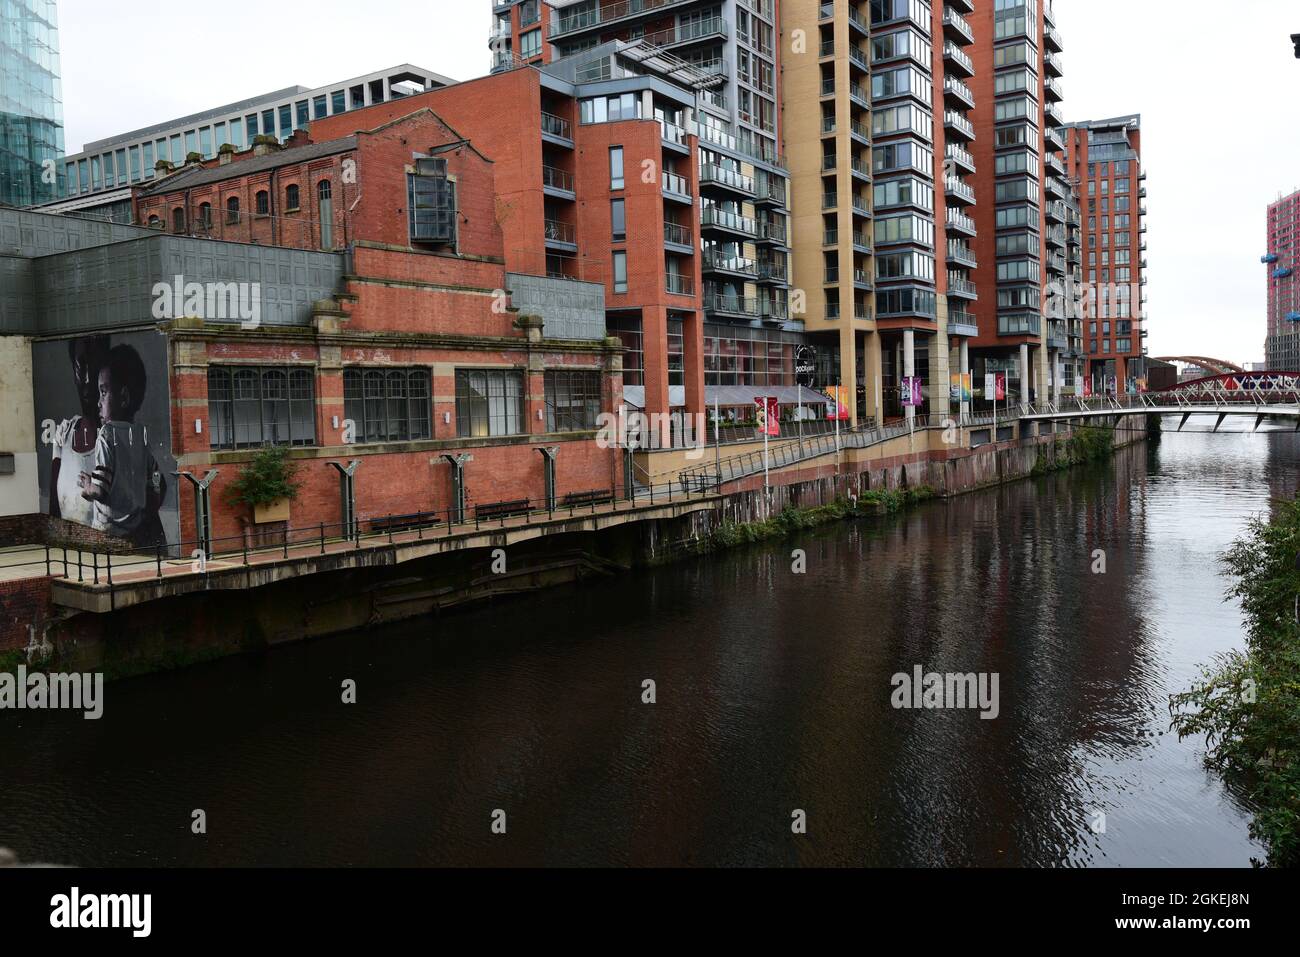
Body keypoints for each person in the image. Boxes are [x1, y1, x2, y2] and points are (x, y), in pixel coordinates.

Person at [77, 345, 167, 548]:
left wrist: (87, 486)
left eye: (103, 392)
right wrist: (145, 506)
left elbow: (99, 491)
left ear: (124, 397)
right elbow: (157, 481)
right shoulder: (140, 435)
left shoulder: (106, 435)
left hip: (109, 534)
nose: (98, 402)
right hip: (138, 530)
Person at [50, 335, 111, 526]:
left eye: (92, 367)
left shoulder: (118, 437)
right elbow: (54, 509)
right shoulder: (63, 434)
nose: (86, 378)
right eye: (80, 367)